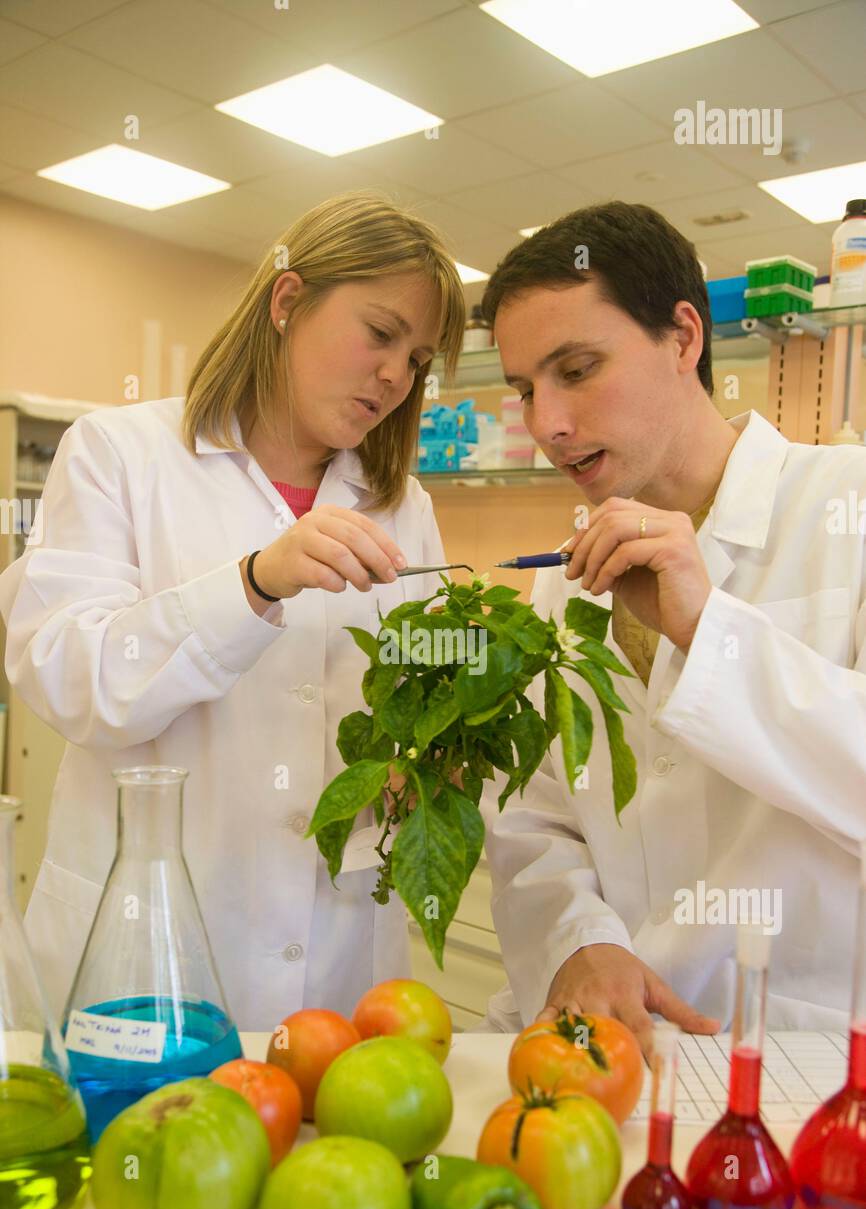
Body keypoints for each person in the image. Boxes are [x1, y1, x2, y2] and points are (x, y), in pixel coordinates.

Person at [0, 191, 465, 1029]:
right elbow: (71, 678)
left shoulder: (402, 506)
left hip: (339, 959)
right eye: (380, 333)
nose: (398, 375)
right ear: (287, 302)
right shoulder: (120, 454)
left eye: (419, 357)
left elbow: (416, 701)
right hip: (144, 951)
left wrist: (432, 756)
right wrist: (252, 583)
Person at [477, 201, 866, 1054]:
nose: (546, 424)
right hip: (608, 1054)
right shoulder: (563, 585)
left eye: (575, 369)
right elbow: (533, 821)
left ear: (684, 338)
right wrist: (584, 941)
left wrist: (709, 631)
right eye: (524, 389)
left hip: (804, 1058)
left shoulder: (848, 508)